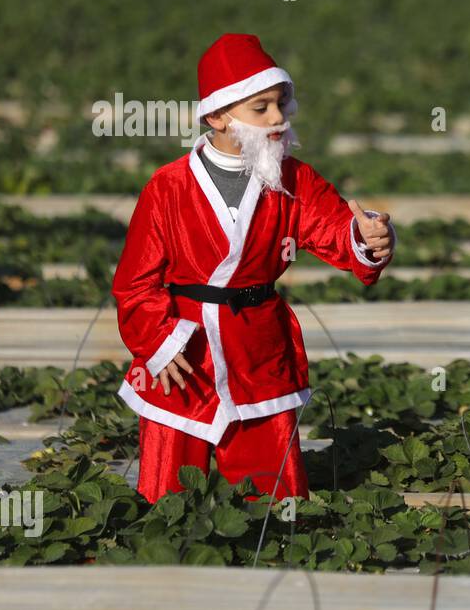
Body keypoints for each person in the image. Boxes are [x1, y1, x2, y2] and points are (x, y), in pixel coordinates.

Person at [112, 33, 395, 502]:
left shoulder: (293, 179)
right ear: (219, 116)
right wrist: (158, 343)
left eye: (281, 104)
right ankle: (166, 563)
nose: (279, 119)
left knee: (272, 492)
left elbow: (335, 229)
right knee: (167, 494)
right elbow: (134, 283)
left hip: (260, 349)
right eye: (261, 108)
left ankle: (274, 548)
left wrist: (366, 238)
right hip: (184, 356)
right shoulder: (167, 187)